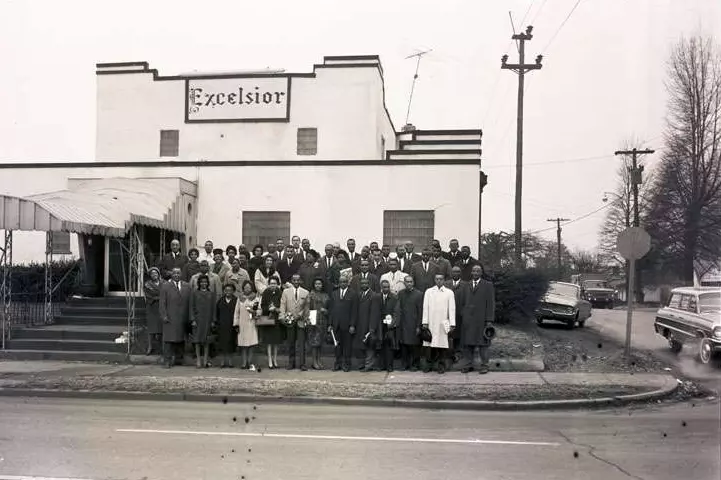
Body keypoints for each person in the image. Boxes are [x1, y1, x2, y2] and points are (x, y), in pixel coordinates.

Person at [460, 265, 496, 375]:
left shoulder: (488, 285)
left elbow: (491, 304)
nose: (475, 273)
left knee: (483, 344)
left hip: (481, 319)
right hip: (468, 320)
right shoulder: (466, 285)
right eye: (474, 271)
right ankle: (468, 365)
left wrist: (489, 320)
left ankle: (484, 365)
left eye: (478, 271)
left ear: (481, 273)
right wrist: (463, 314)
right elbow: (463, 302)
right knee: (468, 344)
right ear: (471, 272)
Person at [421, 273, 456, 374]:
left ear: (444, 280)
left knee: (442, 345)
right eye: (437, 279)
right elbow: (425, 308)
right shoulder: (429, 291)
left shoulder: (449, 292)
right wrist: (425, 322)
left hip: (443, 322)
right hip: (431, 322)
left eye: (441, 279)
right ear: (434, 280)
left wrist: (452, 323)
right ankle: (429, 364)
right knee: (430, 345)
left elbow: (452, 309)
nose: (439, 281)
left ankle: (441, 365)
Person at [159, 267, 191, 368]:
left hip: (183, 317)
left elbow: (190, 302)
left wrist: (189, 316)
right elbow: (162, 303)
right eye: (174, 273)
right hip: (170, 317)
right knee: (169, 340)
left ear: (181, 274)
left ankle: (179, 359)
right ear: (171, 274)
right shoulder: (165, 286)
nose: (176, 275)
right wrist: (164, 315)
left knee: (181, 339)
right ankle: (167, 360)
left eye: (178, 273)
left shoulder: (187, 286)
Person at [280, 273, 310, 370]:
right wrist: (282, 317)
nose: (296, 282)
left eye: (298, 280)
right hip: (290, 321)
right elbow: (283, 305)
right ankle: (291, 363)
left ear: (300, 281)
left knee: (301, 343)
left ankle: (302, 364)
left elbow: (307, 307)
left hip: (301, 321)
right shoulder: (285, 292)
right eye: (294, 280)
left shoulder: (305, 292)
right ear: (291, 281)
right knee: (291, 343)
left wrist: (304, 316)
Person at [329, 276, 358, 372]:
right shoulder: (334, 294)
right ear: (339, 282)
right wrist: (330, 324)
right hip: (336, 324)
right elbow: (331, 310)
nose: (343, 283)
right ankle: (337, 364)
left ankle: (347, 364)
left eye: (345, 282)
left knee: (347, 346)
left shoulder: (353, 294)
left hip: (347, 325)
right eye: (341, 282)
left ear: (348, 283)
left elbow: (354, 311)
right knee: (337, 346)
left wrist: (352, 325)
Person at [190, 275, 217, 369]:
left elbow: (214, 308)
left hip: (208, 320)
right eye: (202, 282)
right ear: (199, 283)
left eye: (205, 282)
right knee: (197, 341)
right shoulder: (194, 293)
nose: (203, 283)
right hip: (197, 320)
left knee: (206, 341)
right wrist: (192, 319)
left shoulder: (211, 294)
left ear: (208, 283)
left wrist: (213, 320)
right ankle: (198, 360)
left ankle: (205, 360)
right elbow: (191, 307)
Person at [397, 275, 423, 371]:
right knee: (403, 345)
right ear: (404, 283)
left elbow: (420, 311)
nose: (409, 283)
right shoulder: (401, 294)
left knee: (414, 346)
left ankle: (415, 364)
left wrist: (418, 326)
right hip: (403, 323)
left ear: (413, 283)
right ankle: (405, 364)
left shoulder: (419, 294)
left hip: (413, 324)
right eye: (407, 282)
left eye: (410, 281)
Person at [355, 277, 381, 371]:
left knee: (370, 346)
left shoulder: (374, 296)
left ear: (369, 284)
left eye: (365, 283)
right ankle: (362, 364)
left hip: (369, 325)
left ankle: (369, 365)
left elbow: (375, 313)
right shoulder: (359, 294)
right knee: (362, 345)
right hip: (360, 325)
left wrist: (372, 328)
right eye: (362, 284)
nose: (363, 285)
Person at [234, 280, 260, 371]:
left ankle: (250, 362)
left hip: (252, 323)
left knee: (251, 344)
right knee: (243, 345)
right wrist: (236, 324)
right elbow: (236, 312)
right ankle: (244, 362)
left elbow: (259, 310)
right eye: (245, 287)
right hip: (242, 323)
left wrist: (254, 312)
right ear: (243, 288)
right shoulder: (240, 298)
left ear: (252, 288)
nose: (247, 289)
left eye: (249, 287)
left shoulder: (255, 298)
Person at [259, 276, 284, 369]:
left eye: (274, 283)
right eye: (271, 283)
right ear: (268, 284)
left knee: (276, 341)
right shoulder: (265, 292)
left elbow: (283, 305)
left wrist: (276, 309)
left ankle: (275, 359)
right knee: (269, 341)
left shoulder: (280, 293)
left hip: (277, 319)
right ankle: (269, 360)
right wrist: (268, 309)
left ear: (277, 284)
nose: (272, 285)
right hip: (268, 319)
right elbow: (262, 306)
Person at [307, 277, 330, 370]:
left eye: (319, 284)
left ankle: (319, 360)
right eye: (316, 284)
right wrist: (311, 322)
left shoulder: (326, 295)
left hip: (323, 320)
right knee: (314, 342)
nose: (318, 285)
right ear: (314, 285)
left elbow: (329, 309)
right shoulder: (311, 295)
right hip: (313, 319)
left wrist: (326, 311)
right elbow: (307, 308)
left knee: (320, 342)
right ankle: (314, 361)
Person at [216, 283, 239, 368]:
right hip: (222, 325)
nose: (228, 292)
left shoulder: (236, 300)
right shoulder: (220, 300)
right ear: (224, 291)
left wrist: (237, 324)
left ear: (233, 291)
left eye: (230, 290)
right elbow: (217, 313)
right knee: (222, 344)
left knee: (231, 344)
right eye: (226, 290)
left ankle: (230, 362)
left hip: (232, 325)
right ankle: (222, 361)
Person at [378, 280, 399, 372]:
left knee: (390, 346)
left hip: (390, 326)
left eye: (387, 287)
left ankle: (389, 366)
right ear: (381, 288)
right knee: (381, 345)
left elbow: (397, 312)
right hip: (380, 325)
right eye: (384, 287)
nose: (386, 289)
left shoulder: (394, 298)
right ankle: (382, 365)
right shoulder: (377, 297)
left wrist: (392, 323)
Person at [143, 267, 164, 356]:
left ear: (158, 274)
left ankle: (162, 347)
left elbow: (166, 294)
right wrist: (160, 297)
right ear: (150, 275)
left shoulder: (164, 283)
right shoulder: (147, 284)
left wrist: (160, 298)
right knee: (151, 328)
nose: (154, 275)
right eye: (152, 273)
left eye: (156, 273)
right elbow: (149, 296)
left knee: (162, 328)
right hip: (152, 307)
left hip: (162, 307)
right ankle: (150, 346)